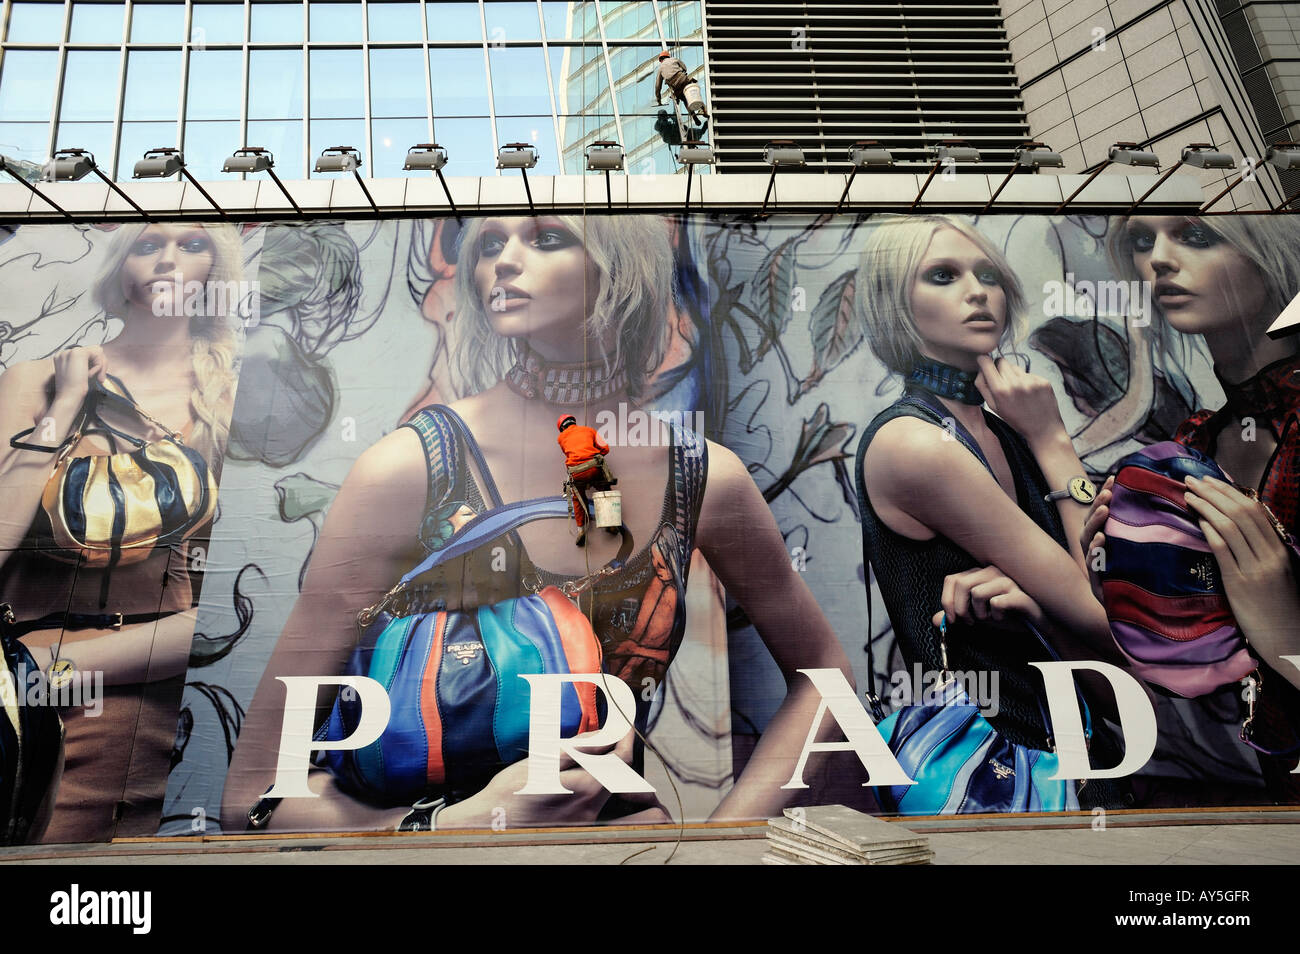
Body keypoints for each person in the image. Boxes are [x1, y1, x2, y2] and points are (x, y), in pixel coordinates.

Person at [223, 214, 852, 832]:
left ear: (621, 266)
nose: (504, 259)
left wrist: (722, 844)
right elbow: (249, 799)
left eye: (547, 237)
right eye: (490, 242)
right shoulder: (411, 470)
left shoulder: (703, 477)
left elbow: (826, 679)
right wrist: (446, 826)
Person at [853, 215, 1126, 808]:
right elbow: (1107, 616)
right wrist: (1054, 441)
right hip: (994, 766)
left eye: (988, 275)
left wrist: (1044, 436)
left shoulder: (1004, 428)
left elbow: (1103, 594)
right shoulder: (915, 443)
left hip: (1069, 748)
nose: (978, 291)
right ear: (892, 304)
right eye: (943, 276)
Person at [0, 221, 241, 842]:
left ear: (217, 272)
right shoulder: (36, 380)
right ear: (118, 266)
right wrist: (64, 406)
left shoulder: (234, 401)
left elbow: (227, 604)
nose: (167, 259)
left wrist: (57, 666)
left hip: (136, 697)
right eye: (146, 243)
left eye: (192, 245)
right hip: (11, 692)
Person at [1087, 214, 1300, 802]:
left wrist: (1284, 629)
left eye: (1196, 235)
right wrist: (1126, 584)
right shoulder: (1195, 445)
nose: (1157, 259)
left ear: (1274, 246)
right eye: (1140, 240)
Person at [555, 412, 617, 546]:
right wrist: (593, 455)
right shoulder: (590, 430)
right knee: (604, 490)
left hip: (576, 472)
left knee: (578, 498)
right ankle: (610, 523)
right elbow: (605, 448)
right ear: (574, 422)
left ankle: (581, 530)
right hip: (594, 467)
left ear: (562, 428)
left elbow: (569, 452)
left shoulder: (561, 438)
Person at [654, 51, 708, 122]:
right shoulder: (674, 59)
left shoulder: (660, 69)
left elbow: (658, 86)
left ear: (661, 60)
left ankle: (693, 115)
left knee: (685, 100)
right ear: (668, 57)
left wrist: (659, 100)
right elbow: (684, 68)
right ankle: (704, 110)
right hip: (683, 79)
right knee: (693, 93)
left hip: (676, 86)